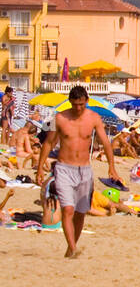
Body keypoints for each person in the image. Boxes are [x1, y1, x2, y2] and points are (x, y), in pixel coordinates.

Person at [33, 86, 124, 258]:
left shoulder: (94, 118)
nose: (78, 108)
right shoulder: (58, 118)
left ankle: (71, 246)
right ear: (70, 102)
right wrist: (39, 168)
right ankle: (73, 248)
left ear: (86, 101)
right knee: (67, 209)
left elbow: (105, 143)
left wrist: (111, 167)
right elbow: (48, 143)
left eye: (81, 104)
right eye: (75, 105)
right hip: (64, 168)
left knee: (80, 212)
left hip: (85, 170)